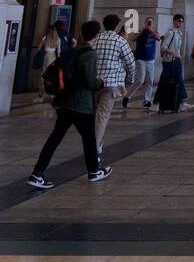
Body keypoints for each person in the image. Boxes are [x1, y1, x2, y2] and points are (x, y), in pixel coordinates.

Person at [28, 19, 111, 188]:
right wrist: (101, 82)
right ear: (97, 35)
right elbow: (89, 81)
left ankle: (37, 173)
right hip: (81, 105)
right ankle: (94, 171)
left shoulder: (73, 50)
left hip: (64, 101)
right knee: (89, 138)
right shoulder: (89, 53)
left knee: (55, 138)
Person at [93, 13, 135, 155]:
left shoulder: (96, 39)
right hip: (110, 84)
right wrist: (130, 80)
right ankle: (95, 146)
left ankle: (94, 141)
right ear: (116, 26)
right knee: (102, 115)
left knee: (93, 114)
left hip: (93, 82)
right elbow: (130, 62)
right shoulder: (120, 41)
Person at [159, 14, 194, 112]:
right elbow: (164, 47)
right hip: (170, 61)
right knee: (166, 82)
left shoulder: (179, 33)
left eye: (182, 21)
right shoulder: (170, 33)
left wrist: (177, 55)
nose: (181, 23)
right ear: (174, 21)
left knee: (179, 81)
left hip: (176, 60)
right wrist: (173, 53)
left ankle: (182, 103)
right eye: (179, 21)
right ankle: (159, 102)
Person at [123, 16, 160, 109]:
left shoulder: (154, 32)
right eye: (147, 22)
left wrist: (150, 30)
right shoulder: (140, 31)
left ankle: (147, 100)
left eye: (150, 22)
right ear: (144, 23)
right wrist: (143, 30)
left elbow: (158, 38)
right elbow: (133, 38)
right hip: (141, 60)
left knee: (150, 81)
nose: (149, 24)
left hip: (151, 60)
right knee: (140, 80)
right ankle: (127, 96)